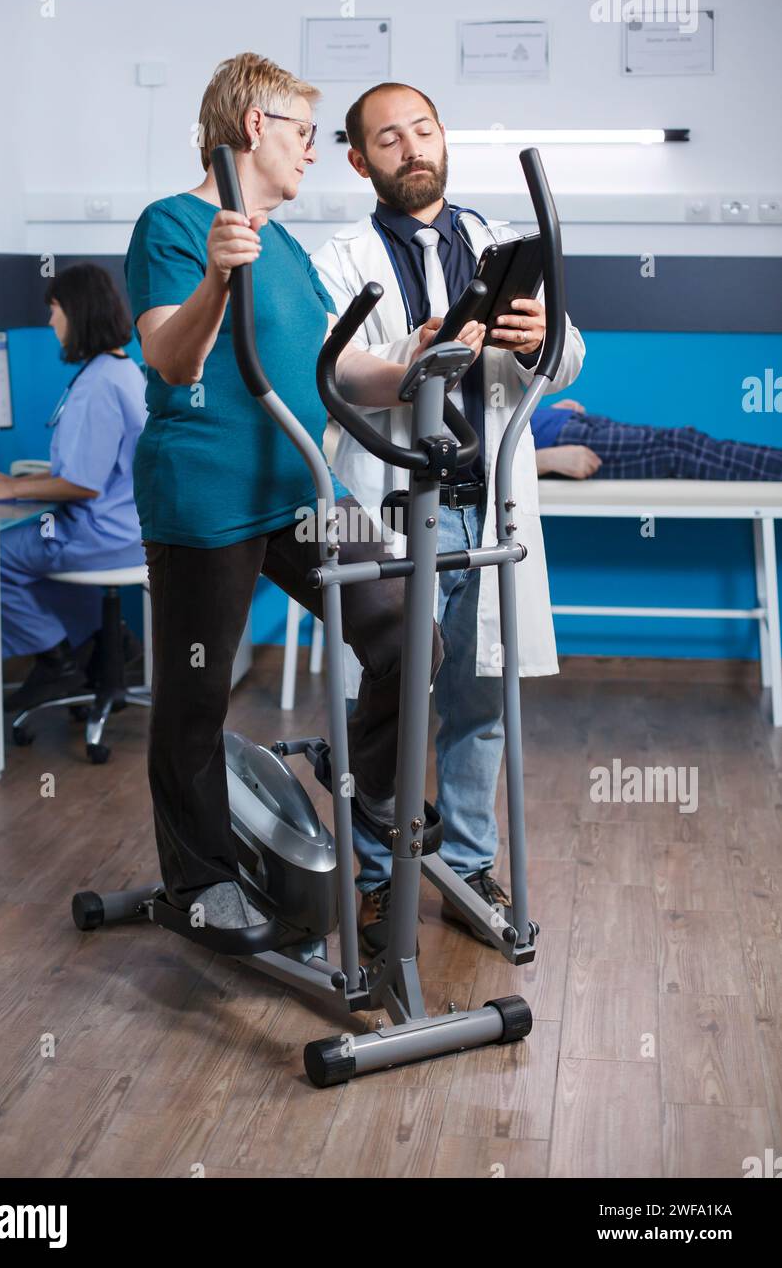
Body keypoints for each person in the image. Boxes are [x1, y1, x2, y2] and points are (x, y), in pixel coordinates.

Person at [124, 53, 444, 933]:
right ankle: (199, 886)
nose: (315, 149)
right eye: (305, 132)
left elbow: (337, 371)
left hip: (302, 487)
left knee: (410, 631)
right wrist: (220, 276)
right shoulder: (174, 226)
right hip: (206, 498)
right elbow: (170, 358)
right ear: (254, 127)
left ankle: (373, 796)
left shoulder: (287, 243)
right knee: (197, 694)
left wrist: (410, 364)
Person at [313, 81, 586, 957]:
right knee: (387, 699)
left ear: (444, 139)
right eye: (387, 138)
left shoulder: (504, 242)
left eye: (423, 129)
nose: (411, 146)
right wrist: (425, 344)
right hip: (391, 510)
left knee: (479, 702)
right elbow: (338, 370)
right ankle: (378, 875)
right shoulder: (337, 258)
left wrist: (541, 335)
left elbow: (571, 359)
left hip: (488, 507)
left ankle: (467, 867)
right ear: (360, 161)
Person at [0, 264, 147, 712]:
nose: (50, 322)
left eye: (55, 310)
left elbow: (81, 485)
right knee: (28, 549)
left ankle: (57, 658)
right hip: (126, 532)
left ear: (78, 312)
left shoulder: (99, 384)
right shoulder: (119, 370)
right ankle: (102, 646)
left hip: (99, 533)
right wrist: (16, 482)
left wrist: (7, 493)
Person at [533, 399, 782, 480]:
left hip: (561, 422)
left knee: (687, 442)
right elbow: (491, 472)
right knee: (677, 454)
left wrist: (548, 410)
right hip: (559, 442)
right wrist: (543, 460)